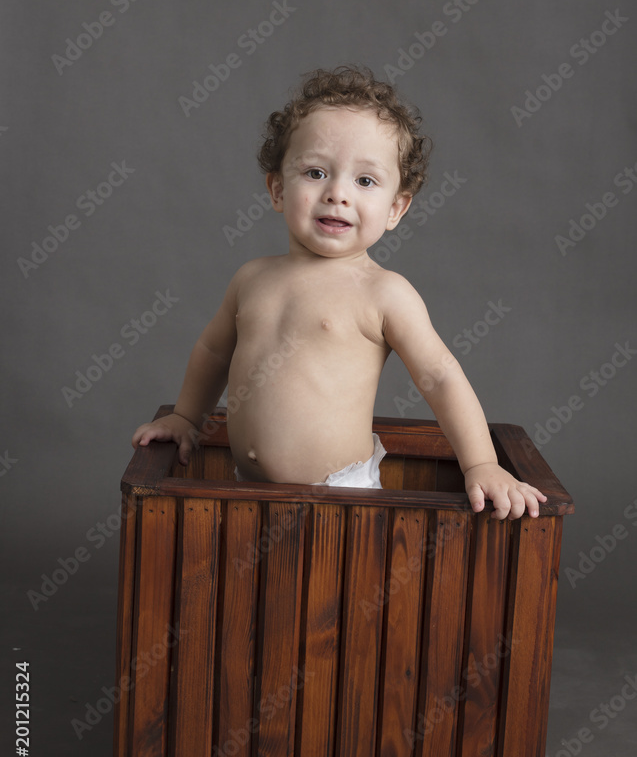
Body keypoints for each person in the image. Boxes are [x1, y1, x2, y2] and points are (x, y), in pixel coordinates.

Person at [132, 65, 546, 520]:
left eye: (364, 181)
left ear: (395, 208)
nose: (337, 194)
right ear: (276, 188)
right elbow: (213, 351)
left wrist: (481, 463)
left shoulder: (384, 293)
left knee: (335, 590)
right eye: (314, 172)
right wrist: (187, 418)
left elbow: (442, 376)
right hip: (249, 489)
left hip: (341, 495)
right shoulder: (251, 278)